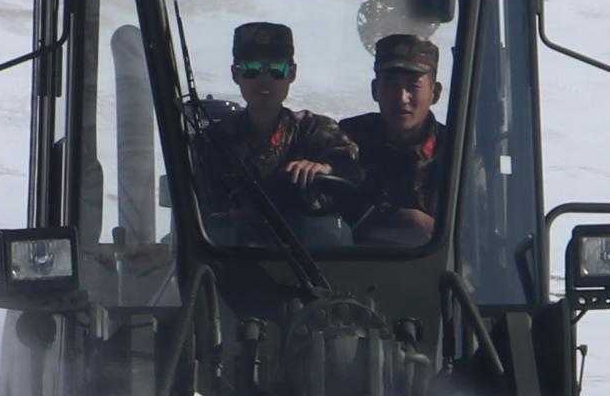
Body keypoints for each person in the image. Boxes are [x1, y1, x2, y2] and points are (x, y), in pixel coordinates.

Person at [187, 20, 356, 234]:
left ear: (292, 73)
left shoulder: (315, 130)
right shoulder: (213, 143)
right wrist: (237, 217)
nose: (265, 79)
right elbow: (199, 216)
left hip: (314, 258)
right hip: (234, 259)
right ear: (235, 74)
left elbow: (353, 170)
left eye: (277, 69)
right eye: (252, 69)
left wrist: (325, 169)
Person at [334, 33, 447, 235]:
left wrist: (432, 229)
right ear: (375, 90)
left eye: (413, 85)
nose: (402, 97)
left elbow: (474, 240)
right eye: (391, 85)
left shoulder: (456, 152)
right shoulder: (346, 139)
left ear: (435, 93)